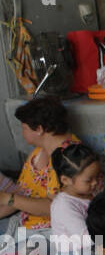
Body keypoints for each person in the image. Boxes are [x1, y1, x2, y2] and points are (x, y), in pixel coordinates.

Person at [1, 96, 80, 232]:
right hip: (23, 222)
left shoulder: (68, 158)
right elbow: (23, 194)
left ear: (39, 129)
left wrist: (9, 198)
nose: (22, 132)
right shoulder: (39, 152)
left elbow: (55, 208)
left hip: (49, 230)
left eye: (24, 128)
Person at [48, 144, 103, 255]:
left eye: (97, 176)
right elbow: (86, 239)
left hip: (94, 245)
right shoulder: (64, 206)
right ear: (65, 180)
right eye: (89, 180)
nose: (95, 183)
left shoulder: (90, 190)